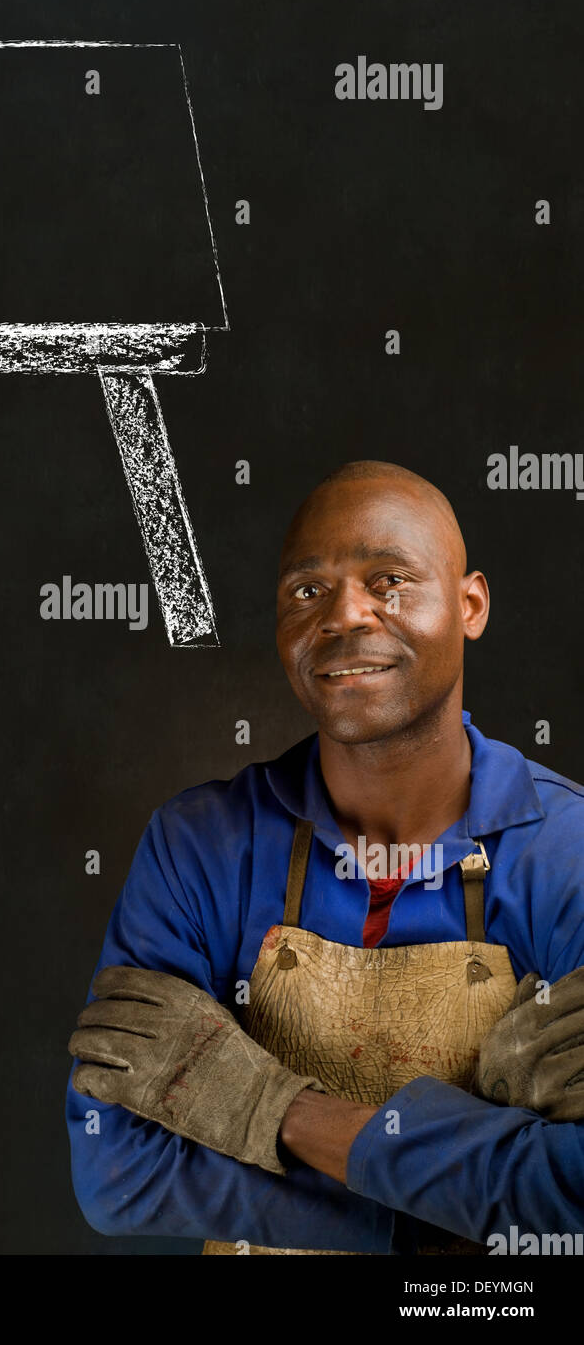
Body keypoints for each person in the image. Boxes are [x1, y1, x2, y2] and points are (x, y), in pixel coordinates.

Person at [65, 460, 584, 1254]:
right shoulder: (198, 845)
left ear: (469, 603)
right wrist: (471, 1205)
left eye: (390, 580)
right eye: (306, 591)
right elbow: (117, 1172)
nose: (344, 614)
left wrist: (267, 1108)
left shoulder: (566, 851)